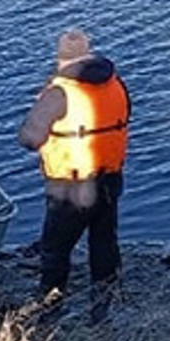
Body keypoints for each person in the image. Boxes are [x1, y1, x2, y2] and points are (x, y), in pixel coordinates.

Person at [17, 28, 130, 318]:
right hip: (109, 179)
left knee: (55, 249)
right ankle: (104, 307)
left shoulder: (58, 94)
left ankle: (50, 308)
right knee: (104, 243)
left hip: (70, 186)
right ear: (89, 54)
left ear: (61, 60)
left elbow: (30, 138)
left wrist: (42, 104)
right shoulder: (116, 83)